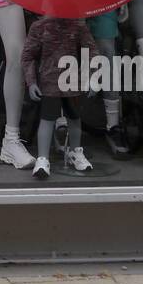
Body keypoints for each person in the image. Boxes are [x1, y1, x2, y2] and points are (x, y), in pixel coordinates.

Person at [21, 16, 99, 180]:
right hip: (49, 82)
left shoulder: (77, 24)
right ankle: (43, 158)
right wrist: (31, 82)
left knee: (74, 117)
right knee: (47, 119)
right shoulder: (39, 26)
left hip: (72, 81)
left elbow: (91, 51)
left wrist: (93, 77)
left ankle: (76, 152)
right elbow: (28, 56)